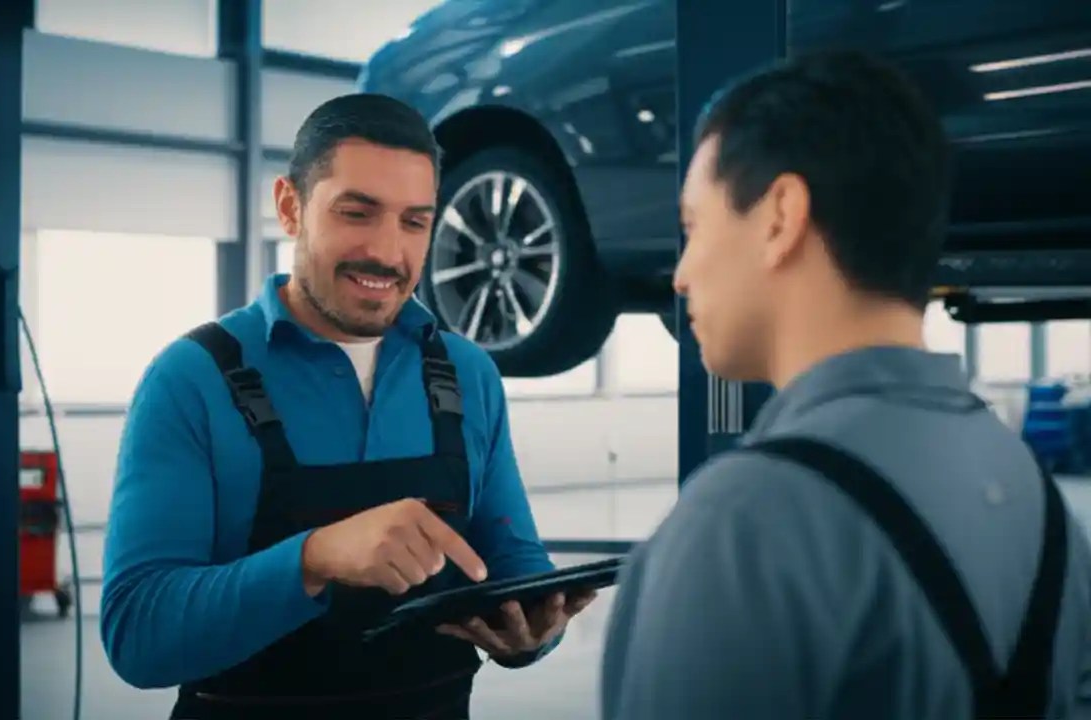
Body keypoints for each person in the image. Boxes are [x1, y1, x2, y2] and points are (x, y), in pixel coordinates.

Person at [600, 51, 1091, 719]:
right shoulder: (1038, 500)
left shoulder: (741, 525)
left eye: (693, 227)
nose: (681, 275)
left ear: (779, 216)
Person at [101, 92, 595, 719]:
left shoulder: (468, 375)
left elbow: (513, 563)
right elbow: (137, 637)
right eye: (357, 213)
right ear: (291, 207)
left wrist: (535, 631)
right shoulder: (192, 378)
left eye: (414, 222)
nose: (387, 253)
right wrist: (316, 558)